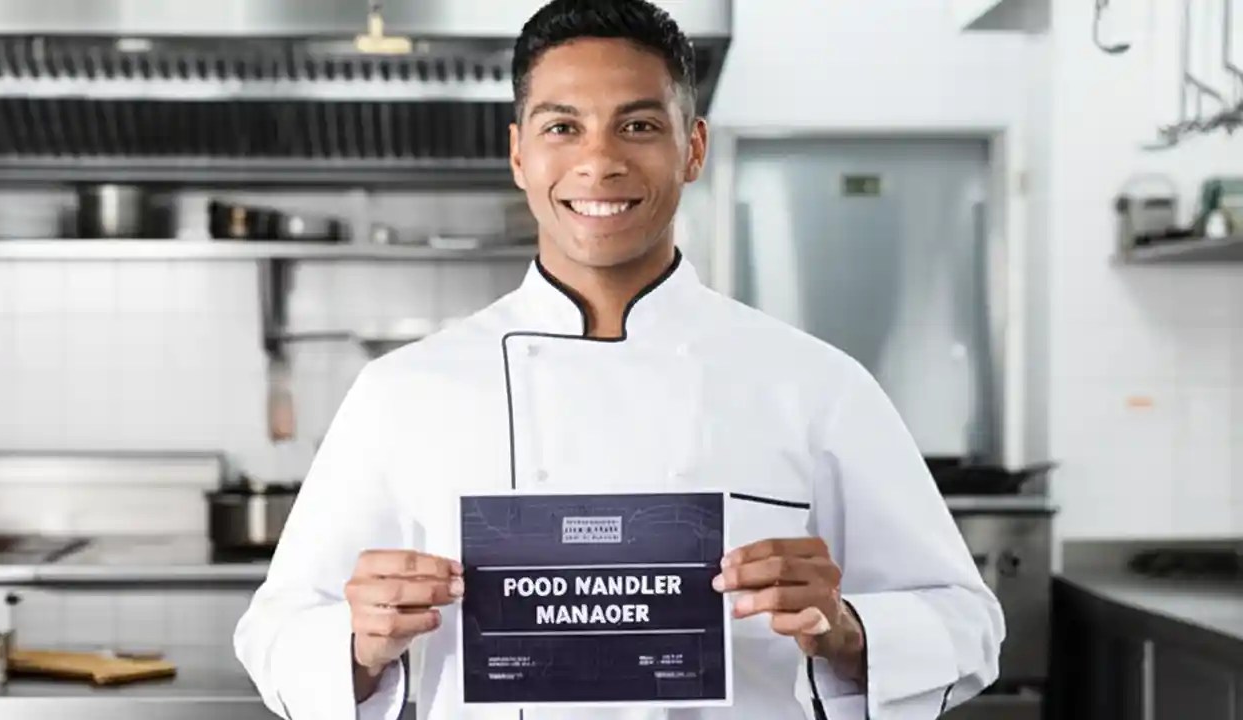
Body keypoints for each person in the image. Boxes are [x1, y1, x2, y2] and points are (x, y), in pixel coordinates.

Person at [233, 0, 1005, 718]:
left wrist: (849, 628)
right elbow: (274, 630)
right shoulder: (402, 392)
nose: (597, 162)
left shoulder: (816, 386)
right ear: (518, 155)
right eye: (562, 127)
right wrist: (360, 647)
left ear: (692, 147)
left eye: (637, 126)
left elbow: (968, 622)